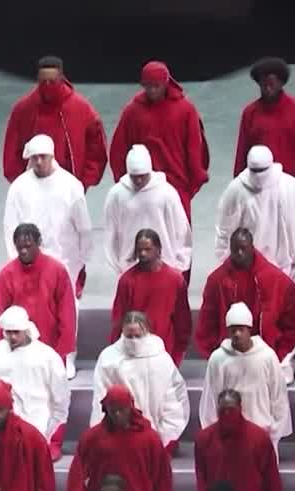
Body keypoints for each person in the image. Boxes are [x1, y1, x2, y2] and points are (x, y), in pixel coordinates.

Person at [2, 133, 95, 357]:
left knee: (66, 311)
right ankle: (31, 354)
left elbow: (84, 226)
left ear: (52, 156)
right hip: (29, 262)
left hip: (65, 260)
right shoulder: (19, 187)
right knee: (33, 309)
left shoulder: (71, 185)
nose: (39, 162)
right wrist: (15, 259)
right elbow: (10, 225)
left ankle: (66, 356)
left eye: (43, 157)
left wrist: (82, 259)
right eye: (35, 158)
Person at [109, 60, 210, 221]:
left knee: (178, 235)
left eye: (157, 86)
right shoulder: (132, 111)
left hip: (177, 184)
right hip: (140, 185)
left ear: (166, 83)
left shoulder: (186, 110)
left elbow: (195, 147)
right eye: (148, 86)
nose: (152, 90)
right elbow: (119, 150)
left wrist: (195, 177)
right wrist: (125, 182)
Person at [196, 228, 295, 377]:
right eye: (235, 249)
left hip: (267, 364)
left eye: (243, 249)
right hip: (227, 362)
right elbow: (206, 323)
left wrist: (275, 357)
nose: (239, 253)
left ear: (252, 247)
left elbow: (291, 326)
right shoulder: (216, 281)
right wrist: (217, 357)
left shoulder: (278, 281)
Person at [65, 386, 172, 491]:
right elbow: (77, 474)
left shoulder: (149, 439)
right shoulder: (92, 438)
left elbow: (162, 477)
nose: (117, 414)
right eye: (113, 409)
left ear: (130, 407)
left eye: (122, 409)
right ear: (105, 409)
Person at [0, 307, 70, 460]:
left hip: (38, 425)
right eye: (8, 332)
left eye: (16, 332)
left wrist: (52, 436)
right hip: (2, 428)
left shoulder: (47, 356)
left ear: (25, 329)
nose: (12, 337)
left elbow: (61, 398)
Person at [214, 145, 295, 281]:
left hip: (286, 272)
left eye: (262, 170)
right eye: (255, 171)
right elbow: (224, 230)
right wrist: (229, 265)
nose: (259, 176)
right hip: (246, 273)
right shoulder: (236, 190)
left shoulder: (292, 188)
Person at [2, 56, 107, 188]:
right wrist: (21, 184)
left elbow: (96, 149)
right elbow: (11, 150)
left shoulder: (82, 109)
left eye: (52, 81)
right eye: (43, 81)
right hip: (32, 189)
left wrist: (83, 182)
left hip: (69, 189)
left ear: (61, 78)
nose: (47, 86)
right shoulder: (23, 110)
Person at [200, 303, 292, 452]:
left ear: (249, 330)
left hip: (262, 433)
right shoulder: (218, 358)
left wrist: (273, 433)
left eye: (241, 329)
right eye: (233, 330)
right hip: (228, 437)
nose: (237, 334)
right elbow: (210, 400)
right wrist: (215, 433)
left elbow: (278, 398)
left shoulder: (267, 356)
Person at [91, 311, 190, 452]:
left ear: (147, 332)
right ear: (122, 333)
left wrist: (164, 435)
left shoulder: (161, 359)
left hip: (156, 436)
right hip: (119, 437)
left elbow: (174, 398)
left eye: (138, 336)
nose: (134, 341)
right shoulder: (109, 358)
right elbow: (101, 398)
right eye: (129, 336)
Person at [0, 223, 77, 374]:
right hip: (17, 352)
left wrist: (62, 351)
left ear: (39, 243)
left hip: (51, 348)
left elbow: (67, 313)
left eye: (28, 246)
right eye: (19, 247)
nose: (23, 251)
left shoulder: (57, 271)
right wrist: (1, 349)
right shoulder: (6, 274)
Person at [194, 390, 283, 491]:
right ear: (217, 410)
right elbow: (202, 481)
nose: (227, 415)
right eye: (223, 410)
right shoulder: (204, 439)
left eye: (231, 410)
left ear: (240, 408)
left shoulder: (259, 438)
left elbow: (272, 480)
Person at [103, 145, 193, 282]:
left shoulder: (166, 193)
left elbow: (181, 230)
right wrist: (118, 266)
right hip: (129, 268)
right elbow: (110, 232)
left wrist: (179, 265)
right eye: (135, 177)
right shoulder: (117, 194)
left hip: (165, 265)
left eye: (142, 176)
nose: (139, 181)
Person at [233, 57, 295, 197]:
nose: (267, 88)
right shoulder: (250, 114)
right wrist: (238, 188)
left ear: (281, 83)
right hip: (257, 189)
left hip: (290, 189)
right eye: (263, 84)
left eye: (271, 83)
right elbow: (242, 152)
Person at [108, 229, 191, 368]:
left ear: (158, 250)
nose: (142, 254)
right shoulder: (127, 280)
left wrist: (178, 353)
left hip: (165, 351)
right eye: (139, 250)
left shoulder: (175, 280)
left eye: (147, 249)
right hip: (133, 352)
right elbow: (119, 317)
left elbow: (182, 319)